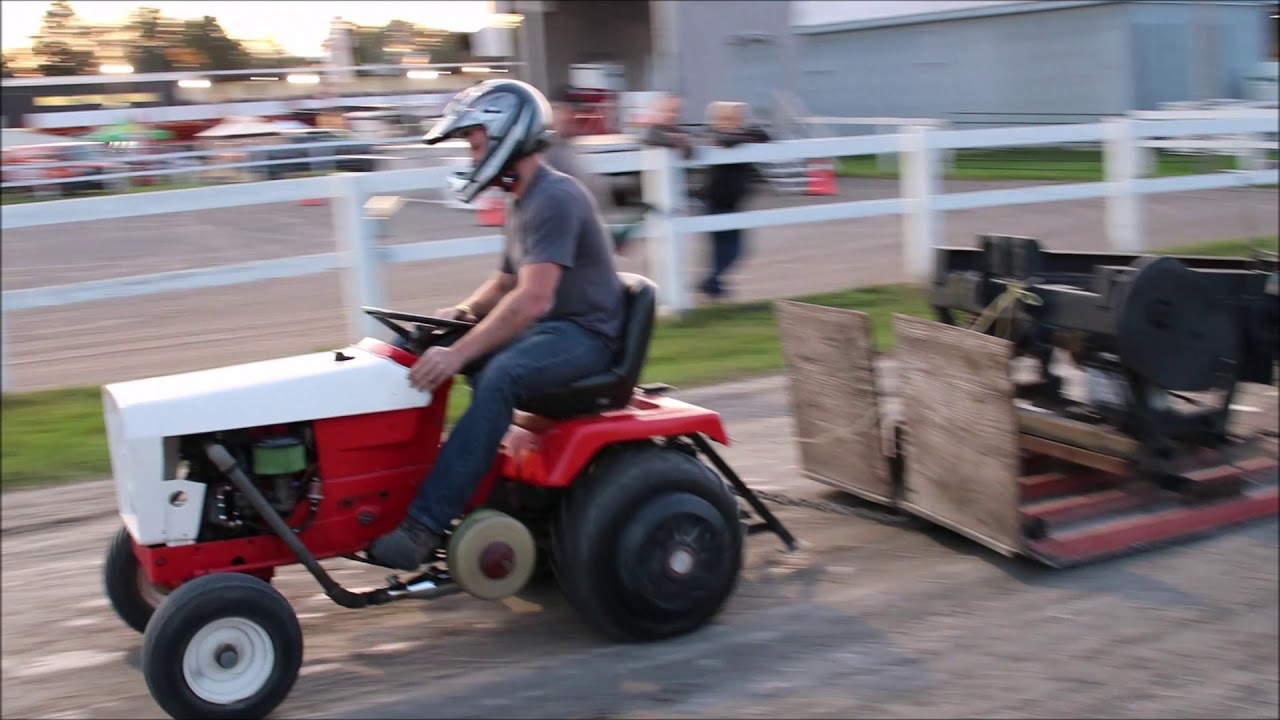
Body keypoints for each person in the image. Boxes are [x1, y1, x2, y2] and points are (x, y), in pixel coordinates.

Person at [367, 79, 625, 572]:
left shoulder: (555, 198)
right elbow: (505, 282)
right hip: (551, 328)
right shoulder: (522, 199)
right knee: (421, 344)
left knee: (499, 375)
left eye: (474, 141)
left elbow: (532, 298)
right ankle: (393, 485)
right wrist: (458, 316)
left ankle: (423, 525)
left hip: (585, 334)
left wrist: (459, 353)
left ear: (507, 134)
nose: (470, 153)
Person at [698, 101, 769, 301]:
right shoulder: (712, 135)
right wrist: (746, 136)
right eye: (729, 118)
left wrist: (747, 133)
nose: (735, 122)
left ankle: (713, 285)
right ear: (718, 119)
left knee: (736, 250)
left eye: (738, 118)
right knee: (725, 250)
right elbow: (726, 140)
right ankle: (711, 284)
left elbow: (765, 136)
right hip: (715, 201)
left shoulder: (743, 134)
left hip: (734, 202)